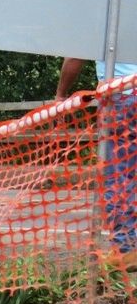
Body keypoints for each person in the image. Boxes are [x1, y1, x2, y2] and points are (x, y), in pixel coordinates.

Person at [55, 58, 137, 260]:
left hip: (121, 97)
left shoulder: (103, 26)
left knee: (117, 174)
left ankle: (127, 248)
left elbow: (76, 57)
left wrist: (60, 94)